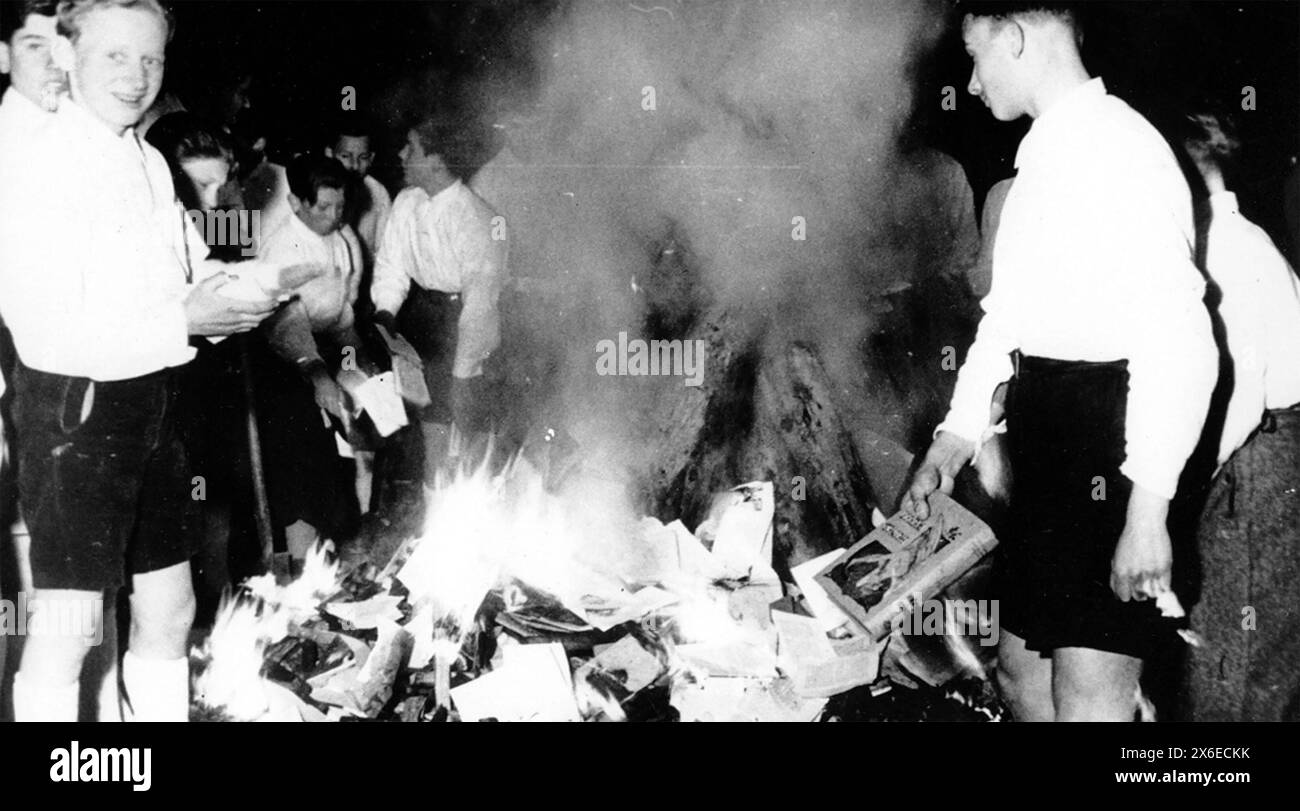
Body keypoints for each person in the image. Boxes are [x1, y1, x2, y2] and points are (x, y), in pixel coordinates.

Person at [903, 1, 1217, 721]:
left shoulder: (1123, 150)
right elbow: (1006, 321)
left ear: (1014, 40)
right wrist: (953, 440)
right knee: (1017, 678)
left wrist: (1147, 510)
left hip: (1112, 449)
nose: (973, 86)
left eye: (975, 59)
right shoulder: (1042, 158)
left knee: (1089, 703)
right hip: (1046, 448)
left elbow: (1183, 342)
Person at [0, 0, 297, 722]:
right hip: (77, 412)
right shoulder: (38, 161)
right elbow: (43, 334)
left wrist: (245, 292)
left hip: (151, 407)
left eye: (151, 59)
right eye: (115, 57)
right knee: (71, 629)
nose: (136, 77)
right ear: (68, 57)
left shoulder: (147, 159)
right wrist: (186, 321)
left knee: (170, 609)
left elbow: (188, 274)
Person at [1178, 112, 1300, 721]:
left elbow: (1238, 400)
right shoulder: (1230, 240)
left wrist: (1170, 493)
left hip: (1259, 468)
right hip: (1262, 458)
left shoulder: (1229, 250)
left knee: (1235, 656)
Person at [371, 115, 506, 481]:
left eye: (410, 147)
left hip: (461, 329)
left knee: (458, 440)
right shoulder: (406, 201)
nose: (401, 154)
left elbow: (479, 305)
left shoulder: (478, 218)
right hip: (418, 319)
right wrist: (386, 314)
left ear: (436, 161)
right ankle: (418, 513)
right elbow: (391, 266)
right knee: (412, 430)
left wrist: (463, 375)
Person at [258, 153, 369, 561]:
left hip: (328, 350)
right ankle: (305, 567)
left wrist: (358, 360)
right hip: (286, 363)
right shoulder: (281, 247)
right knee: (300, 469)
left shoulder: (342, 239)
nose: (334, 216)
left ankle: (340, 555)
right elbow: (287, 326)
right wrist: (319, 375)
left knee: (349, 451)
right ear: (296, 204)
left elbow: (343, 312)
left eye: (341, 207)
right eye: (324, 207)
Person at [324, 116, 391, 276]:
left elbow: (385, 252)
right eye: (345, 156)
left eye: (363, 158)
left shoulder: (378, 193)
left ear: (372, 159)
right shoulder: (313, 190)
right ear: (329, 154)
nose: (354, 165)